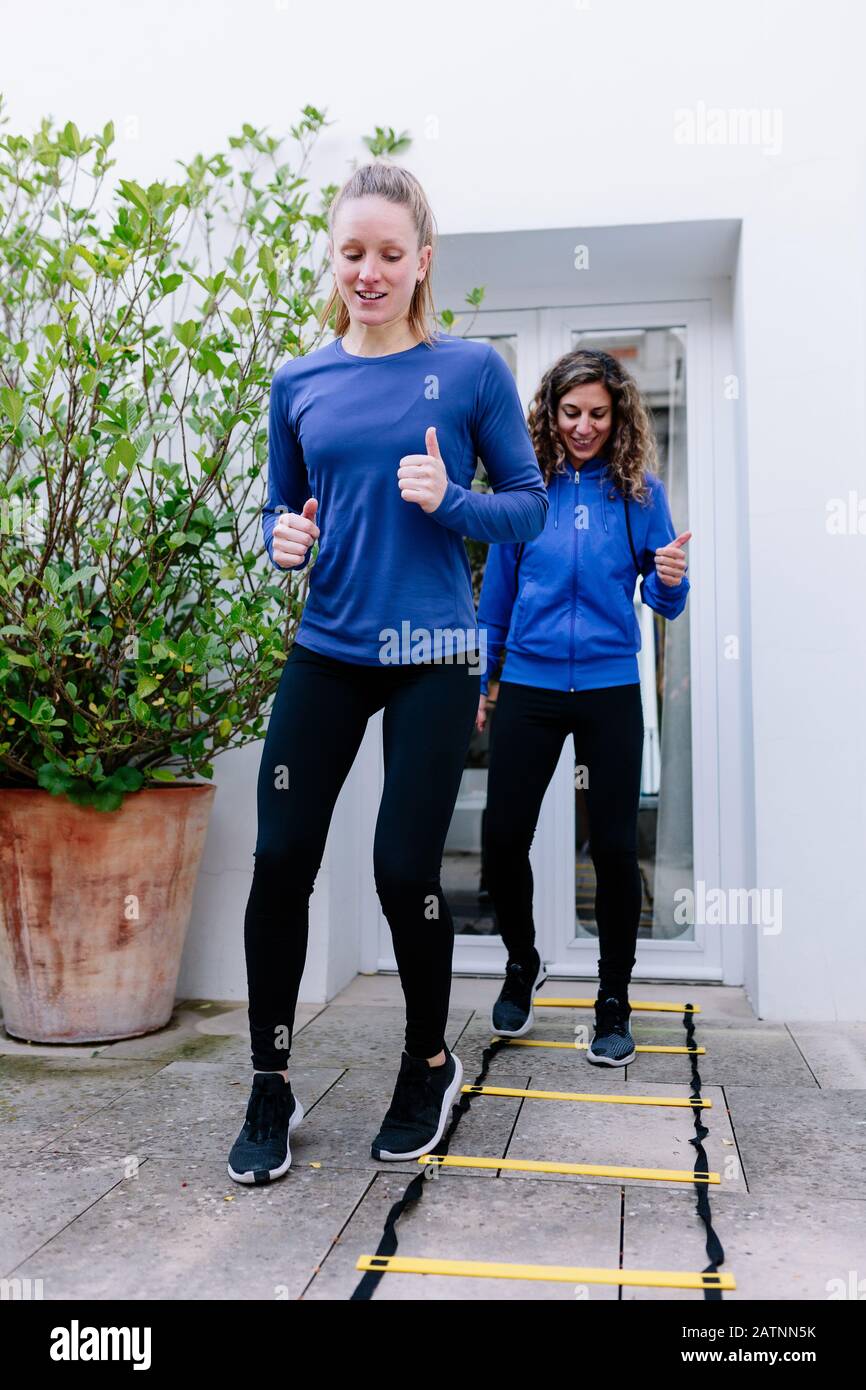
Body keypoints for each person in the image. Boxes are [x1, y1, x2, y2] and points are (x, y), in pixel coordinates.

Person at [227, 162, 549, 1184]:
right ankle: (269, 1080)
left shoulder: (469, 373)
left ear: (421, 261)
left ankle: (426, 1060)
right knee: (281, 860)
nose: (368, 271)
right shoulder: (297, 381)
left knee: (402, 868)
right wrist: (281, 539)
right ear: (335, 258)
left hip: (430, 653)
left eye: (388, 254)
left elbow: (529, 506)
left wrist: (452, 497)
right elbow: (287, 516)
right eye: (351, 252)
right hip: (328, 646)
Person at [476, 349, 691, 1066]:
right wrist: (482, 681)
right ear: (550, 413)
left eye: (598, 413)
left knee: (616, 848)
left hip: (606, 688)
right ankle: (522, 960)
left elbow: (665, 600)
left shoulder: (639, 494)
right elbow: (496, 596)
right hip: (531, 687)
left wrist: (668, 579)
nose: (584, 427)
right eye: (572, 413)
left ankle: (613, 1003)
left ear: (618, 414)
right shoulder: (526, 491)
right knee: (503, 838)